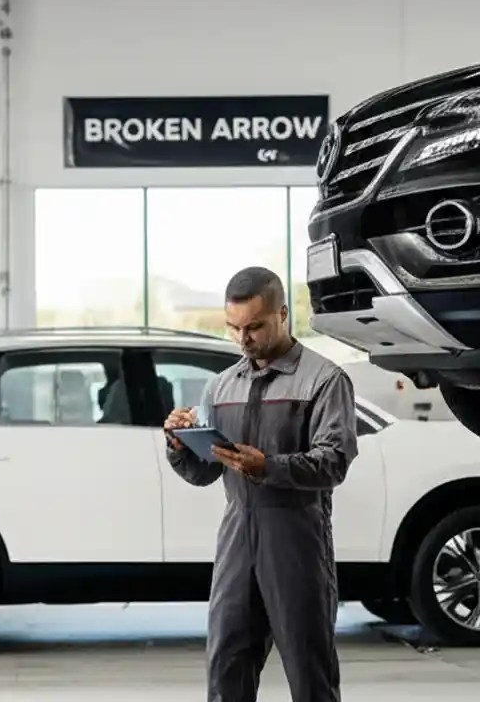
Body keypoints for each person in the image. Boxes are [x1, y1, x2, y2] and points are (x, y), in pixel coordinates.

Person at [163, 266, 358, 702]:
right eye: (233, 328)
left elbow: (334, 462)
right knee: (226, 670)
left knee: (311, 675)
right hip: (236, 541)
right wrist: (180, 445)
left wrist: (268, 466)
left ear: (283, 314)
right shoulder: (221, 385)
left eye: (254, 327)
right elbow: (204, 472)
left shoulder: (325, 380)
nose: (242, 339)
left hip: (297, 541)